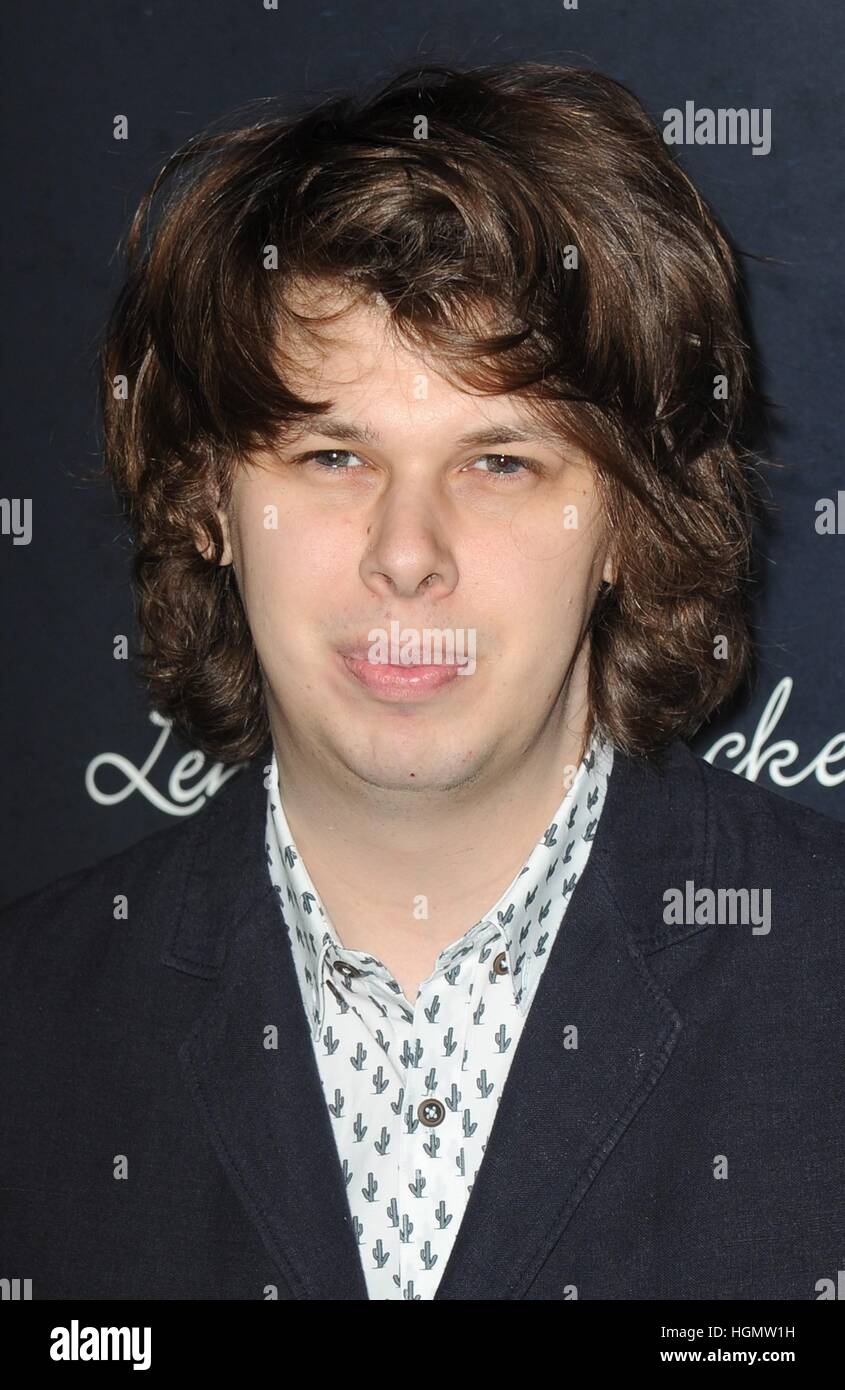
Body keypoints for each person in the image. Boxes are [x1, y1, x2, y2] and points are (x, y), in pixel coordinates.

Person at [1, 61, 842, 1302]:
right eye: (332, 454)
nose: (406, 554)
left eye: (499, 462)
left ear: (628, 525)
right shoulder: (30, 1028)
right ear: (205, 504)